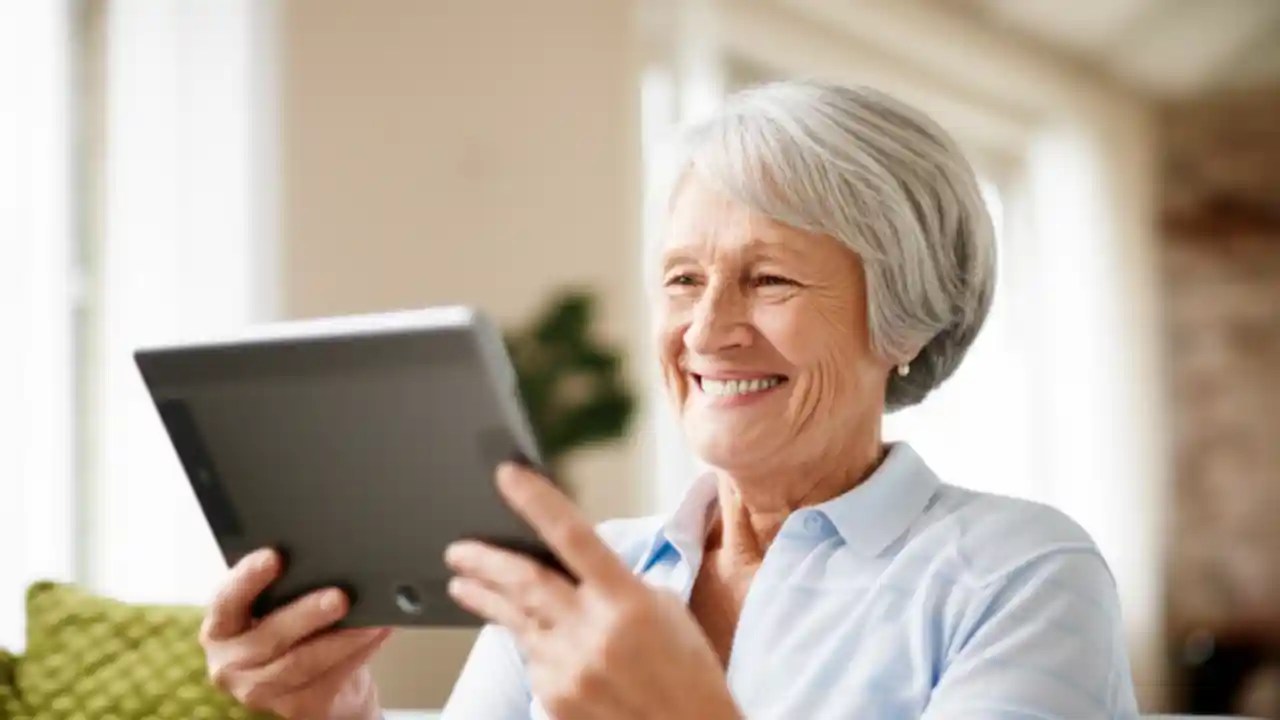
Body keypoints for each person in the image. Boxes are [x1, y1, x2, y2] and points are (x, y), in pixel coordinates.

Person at [199, 81, 1140, 719]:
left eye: (769, 280)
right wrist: (334, 710)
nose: (706, 330)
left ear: (906, 325)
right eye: (684, 279)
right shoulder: (586, 571)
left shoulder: (1017, 575)